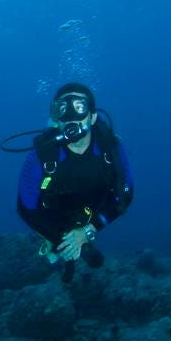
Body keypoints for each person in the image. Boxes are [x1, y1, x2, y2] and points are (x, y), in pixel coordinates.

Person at [16, 82, 134, 282]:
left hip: (95, 210)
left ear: (93, 116)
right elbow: (25, 207)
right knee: (59, 250)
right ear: (56, 120)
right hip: (53, 215)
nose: (71, 116)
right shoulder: (41, 156)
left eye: (79, 107)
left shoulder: (111, 148)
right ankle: (57, 250)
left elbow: (125, 195)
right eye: (62, 109)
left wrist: (88, 231)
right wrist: (62, 241)